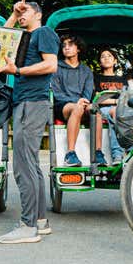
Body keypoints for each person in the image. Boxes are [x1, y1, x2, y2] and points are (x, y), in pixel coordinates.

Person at [0, 0, 59, 244]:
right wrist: (12, 14)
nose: (22, 15)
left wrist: (18, 71)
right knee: (31, 164)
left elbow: (51, 65)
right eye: (20, 12)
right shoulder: (24, 37)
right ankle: (40, 221)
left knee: (22, 165)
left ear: (38, 14)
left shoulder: (43, 32)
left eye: (26, 12)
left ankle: (27, 226)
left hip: (33, 102)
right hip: (25, 101)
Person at [50, 34, 105, 167]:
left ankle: (98, 153)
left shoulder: (86, 70)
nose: (66, 48)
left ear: (78, 48)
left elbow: (88, 92)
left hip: (81, 103)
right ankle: (70, 154)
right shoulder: (55, 67)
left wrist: (83, 101)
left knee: (95, 111)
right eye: (64, 46)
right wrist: (77, 102)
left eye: (70, 45)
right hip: (62, 105)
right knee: (77, 108)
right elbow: (57, 93)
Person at [93, 49, 127, 162]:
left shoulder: (122, 79)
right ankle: (117, 154)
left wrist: (114, 102)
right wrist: (116, 102)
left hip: (120, 109)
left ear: (115, 61)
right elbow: (98, 99)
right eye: (103, 56)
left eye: (109, 56)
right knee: (114, 110)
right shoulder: (96, 78)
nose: (106, 58)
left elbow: (127, 97)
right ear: (100, 62)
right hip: (103, 110)